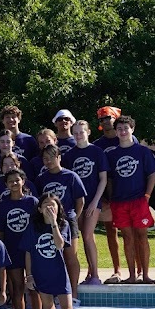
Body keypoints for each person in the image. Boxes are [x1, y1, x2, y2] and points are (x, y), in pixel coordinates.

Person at [106, 115, 155, 284]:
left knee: (142, 236)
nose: (123, 131)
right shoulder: (112, 154)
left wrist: (147, 196)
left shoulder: (142, 151)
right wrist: (110, 197)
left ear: (132, 129)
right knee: (127, 237)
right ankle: (130, 275)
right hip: (119, 202)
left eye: (126, 128)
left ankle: (145, 275)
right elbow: (109, 179)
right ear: (116, 131)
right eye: (120, 129)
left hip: (139, 200)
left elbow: (152, 175)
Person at [34, 145, 86, 301]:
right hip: (47, 222)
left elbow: (80, 200)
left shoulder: (70, 176)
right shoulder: (41, 178)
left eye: (52, 157)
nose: (48, 161)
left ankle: (74, 294)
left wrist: (73, 217)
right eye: (45, 158)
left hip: (67, 220)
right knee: (53, 257)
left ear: (59, 157)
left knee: (70, 257)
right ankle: (57, 293)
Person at [64, 120, 109, 287]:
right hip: (77, 203)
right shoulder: (69, 155)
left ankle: (95, 275)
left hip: (92, 201)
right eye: (75, 132)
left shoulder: (97, 152)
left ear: (88, 132)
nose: (78, 135)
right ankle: (89, 273)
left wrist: (95, 202)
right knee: (83, 237)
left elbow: (103, 179)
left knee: (88, 235)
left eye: (81, 132)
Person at [21, 193, 78, 309]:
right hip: (41, 273)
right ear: (40, 209)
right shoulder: (33, 227)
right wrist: (29, 275)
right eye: (46, 204)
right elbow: (28, 252)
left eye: (53, 205)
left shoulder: (64, 225)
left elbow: (59, 245)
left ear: (59, 208)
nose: (49, 207)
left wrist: (53, 223)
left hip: (59, 273)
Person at [0, 169, 40, 309]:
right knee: (17, 286)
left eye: (17, 180)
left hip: (31, 250)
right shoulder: (2, 206)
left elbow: (39, 226)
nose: (14, 183)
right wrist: (1, 253)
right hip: (12, 250)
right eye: (10, 181)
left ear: (23, 181)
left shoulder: (32, 202)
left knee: (34, 286)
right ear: (6, 184)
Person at [93, 106, 127, 283]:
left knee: (132, 233)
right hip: (107, 195)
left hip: (129, 191)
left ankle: (135, 271)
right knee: (111, 231)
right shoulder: (98, 145)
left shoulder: (127, 138)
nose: (106, 121)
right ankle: (117, 270)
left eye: (108, 118)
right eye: (102, 119)